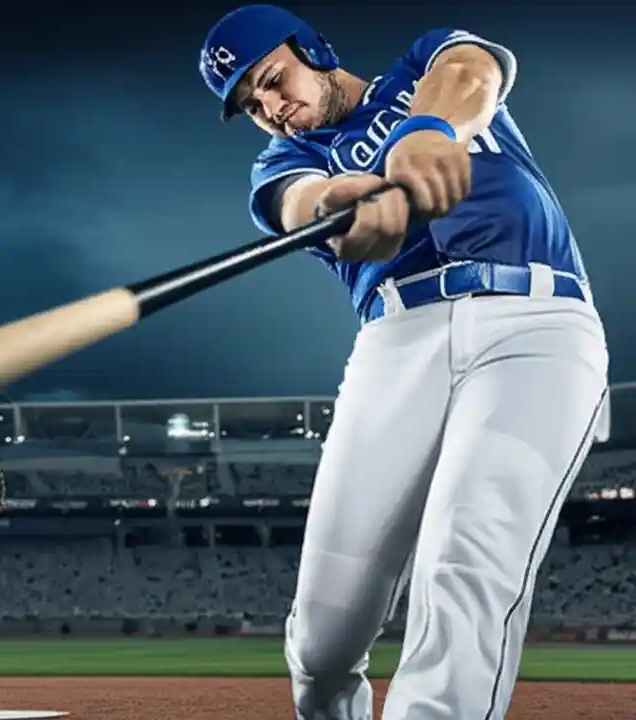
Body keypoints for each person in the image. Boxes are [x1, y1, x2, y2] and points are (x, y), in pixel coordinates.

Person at [198, 6, 608, 719]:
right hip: (397, 341)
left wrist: (428, 131)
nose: (272, 107)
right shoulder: (283, 163)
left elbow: (471, 72)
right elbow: (301, 205)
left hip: (535, 324)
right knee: (323, 642)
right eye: (252, 105)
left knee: (466, 562)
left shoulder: (424, 64)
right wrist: (342, 205)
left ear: (313, 49)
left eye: (273, 79)